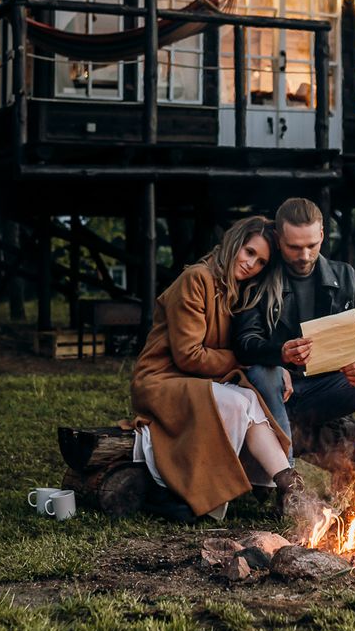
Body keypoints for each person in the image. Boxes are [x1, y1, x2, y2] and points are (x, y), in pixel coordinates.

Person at [129, 215, 325, 523]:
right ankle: (199, 496)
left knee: (249, 400)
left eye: (261, 262)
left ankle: (290, 486)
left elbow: (247, 345)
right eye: (249, 252)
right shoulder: (196, 278)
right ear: (234, 243)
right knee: (236, 402)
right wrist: (243, 361)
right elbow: (189, 356)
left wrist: (274, 365)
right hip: (161, 380)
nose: (251, 264)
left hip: (202, 380)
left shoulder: (237, 290)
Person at [233, 198, 355, 472]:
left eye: (312, 245)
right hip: (275, 394)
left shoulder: (345, 277)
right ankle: (286, 479)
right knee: (265, 373)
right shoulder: (260, 276)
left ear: (322, 234)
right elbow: (244, 343)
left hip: (327, 391)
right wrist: (279, 353)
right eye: (294, 247)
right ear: (278, 239)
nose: (305, 255)